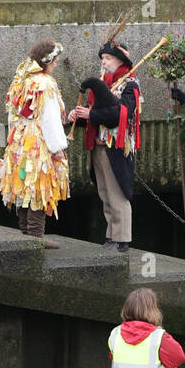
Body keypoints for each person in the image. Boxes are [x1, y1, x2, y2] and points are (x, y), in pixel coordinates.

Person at [67, 40, 142, 252]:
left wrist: (91, 114)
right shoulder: (105, 81)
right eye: (103, 59)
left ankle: (121, 239)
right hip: (99, 145)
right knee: (105, 193)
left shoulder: (130, 84)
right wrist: (79, 116)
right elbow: (95, 111)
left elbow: (121, 114)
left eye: (107, 58)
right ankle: (112, 237)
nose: (104, 62)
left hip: (116, 147)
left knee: (118, 193)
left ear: (119, 60)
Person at [2, 39, 71, 244]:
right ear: (47, 62)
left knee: (23, 183)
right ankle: (36, 236)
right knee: (40, 186)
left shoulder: (21, 80)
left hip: (20, 138)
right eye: (55, 61)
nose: (57, 64)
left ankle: (25, 232)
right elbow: (49, 118)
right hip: (38, 139)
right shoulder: (45, 83)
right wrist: (57, 147)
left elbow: (12, 113)